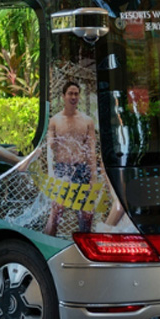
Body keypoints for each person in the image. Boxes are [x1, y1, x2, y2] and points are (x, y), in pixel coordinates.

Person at [44, 81, 102, 235]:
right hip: (63, 169)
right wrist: (51, 172)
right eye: (70, 93)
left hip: (82, 170)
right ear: (63, 96)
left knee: (86, 214)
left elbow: (91, 150)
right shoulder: (55, 120)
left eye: (76, 93)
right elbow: (50, 149)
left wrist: (94, 177)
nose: (73, 96)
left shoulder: (87, 121)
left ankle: (84, 249)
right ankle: (46, 244)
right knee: (56, 210)